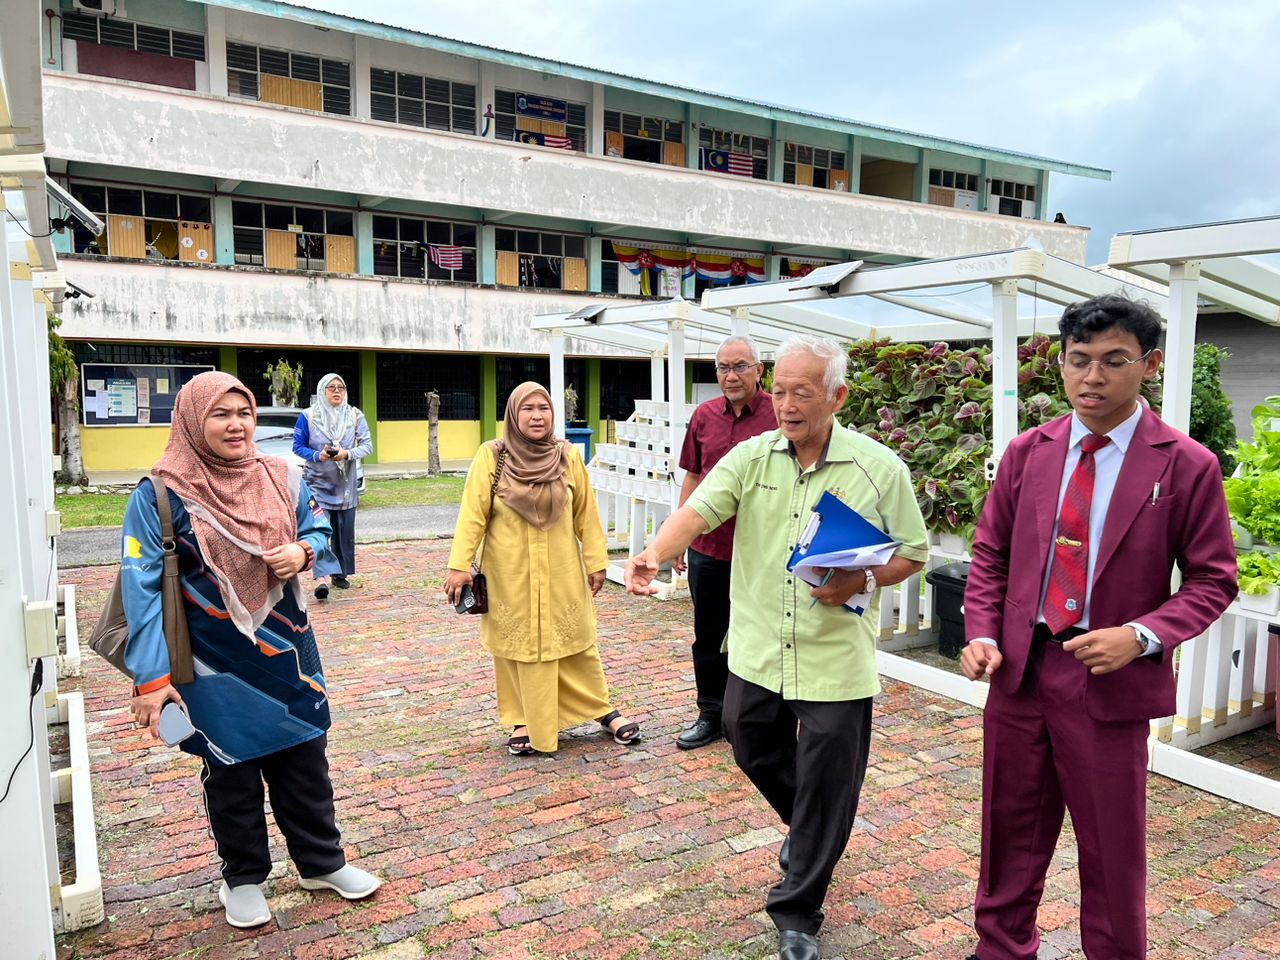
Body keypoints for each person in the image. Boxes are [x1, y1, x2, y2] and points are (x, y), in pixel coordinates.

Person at [626, 336, 928, 960]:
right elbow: (700, 509)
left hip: (833, 654)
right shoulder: (750, 457)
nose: (787, 405)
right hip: (759, 645)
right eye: (781, 391)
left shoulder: (879, 468)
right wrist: (654, 553)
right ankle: (817, 828)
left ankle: (797, 912)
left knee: (827, 778)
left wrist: (863, 578)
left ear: (837, 396)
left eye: (803, 392)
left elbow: (912, 553)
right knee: (747, 737)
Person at [960, 294, 1237, 960]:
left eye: (1114, 361)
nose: (1092, 378)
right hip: (1021, 675)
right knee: (1008, 833)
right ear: (1059, 364)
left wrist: (1141, 635)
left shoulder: (1186, 464)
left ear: (1150, 364)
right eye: (1078, 361)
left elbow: (1213, 580)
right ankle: (999, 950)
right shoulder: (1030, 452)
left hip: (1107, 683)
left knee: (1113, 850)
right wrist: (982, 631)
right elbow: (991, 554)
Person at [121, 371, 379, 930]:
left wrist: (303, 552)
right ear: (192, 420)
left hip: (287, 645)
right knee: (231, 771)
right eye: (221, 414)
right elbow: (139, 590)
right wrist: (150, 679)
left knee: (306, 759)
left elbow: (318, 528)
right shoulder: (160, 494)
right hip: (214, 662)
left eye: (244, 412)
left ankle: (321, 863)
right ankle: (241, 878)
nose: (236, 425)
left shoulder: (282, 475)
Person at [444, 381, 640, 756]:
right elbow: (473, 515)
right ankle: (522, 717)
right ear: (513, 416)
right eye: (527, 409)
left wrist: (596, 560)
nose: (537, 416)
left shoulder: (567, 456)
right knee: (517, 645)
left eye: (544, 408)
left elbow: (586, 511)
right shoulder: (492, 456)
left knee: (576, 642)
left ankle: (602, 709)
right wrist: (459, 566)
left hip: (561, 570)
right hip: (509, 571)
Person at [674, 335, 776, 750]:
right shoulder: (703, 416)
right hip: (710, 548)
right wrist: (680, 535)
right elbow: (694, 477)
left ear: (759, 370)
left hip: (763, 550)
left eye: (739, 366)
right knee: (710, 633)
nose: (730, 376)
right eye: (722, 368)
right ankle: (711, 713)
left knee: (762, 633)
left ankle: (753, 716)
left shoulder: (777, 414)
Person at [293, 373, 372, 599]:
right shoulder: (308, 417)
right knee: (320, 528)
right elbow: (297, 447)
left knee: (344, 531)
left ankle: (340, 573)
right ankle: (321, 578)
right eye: (331, 388)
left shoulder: (355, 416)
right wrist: (319, 455)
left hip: (345, 485)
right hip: (317, 483)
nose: (337, 391)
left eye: (341, 387)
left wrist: (347, 453)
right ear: (322, 391)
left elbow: (367, 446)